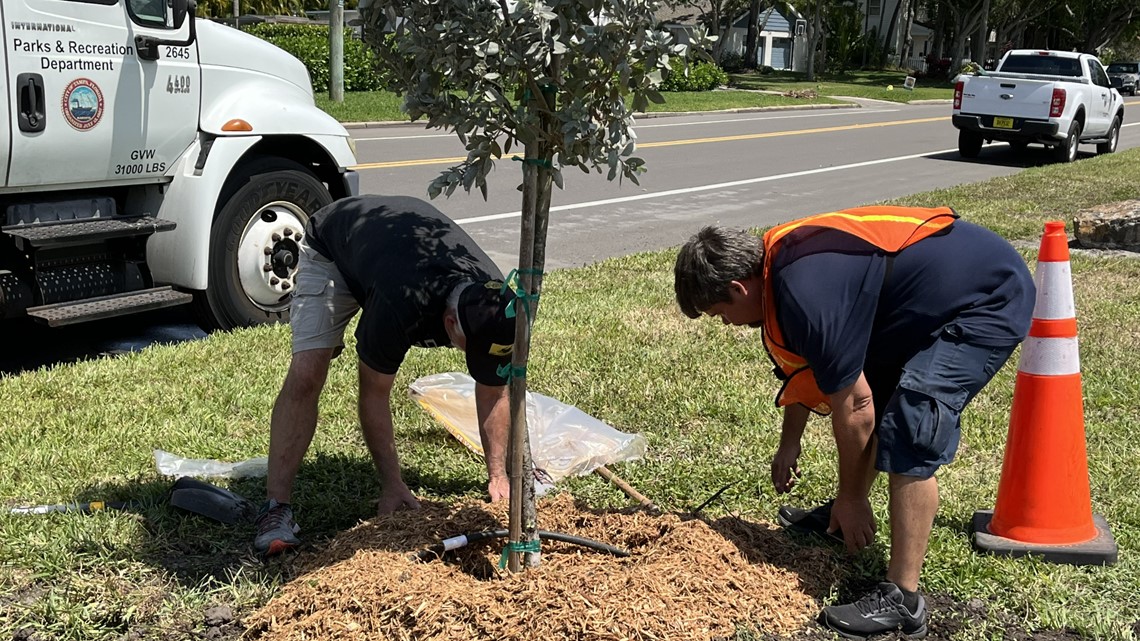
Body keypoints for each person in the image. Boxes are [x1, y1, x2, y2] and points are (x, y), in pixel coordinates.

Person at [673, 206, 1035, 639]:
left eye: (719, 314)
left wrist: (851, 496)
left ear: (737, 287)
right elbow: (812, 370)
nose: (727, 325)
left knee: (910, 423)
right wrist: (790, 444)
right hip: (914, 303)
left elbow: (857, 406)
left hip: (985, 297)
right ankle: (843, 519)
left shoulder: (803, 291)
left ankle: (904, 598)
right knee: (876, 392)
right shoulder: (777, 271)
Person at [254, 195, 516, 556]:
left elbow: (494, 391)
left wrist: (498, 475)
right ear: (449, 322)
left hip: (388, 250)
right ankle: (276, 509)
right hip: (334, 244)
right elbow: (374, 393)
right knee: (308, 372)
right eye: (466, 347)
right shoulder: (402, 303)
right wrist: (392, 484)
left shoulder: (497, 306)